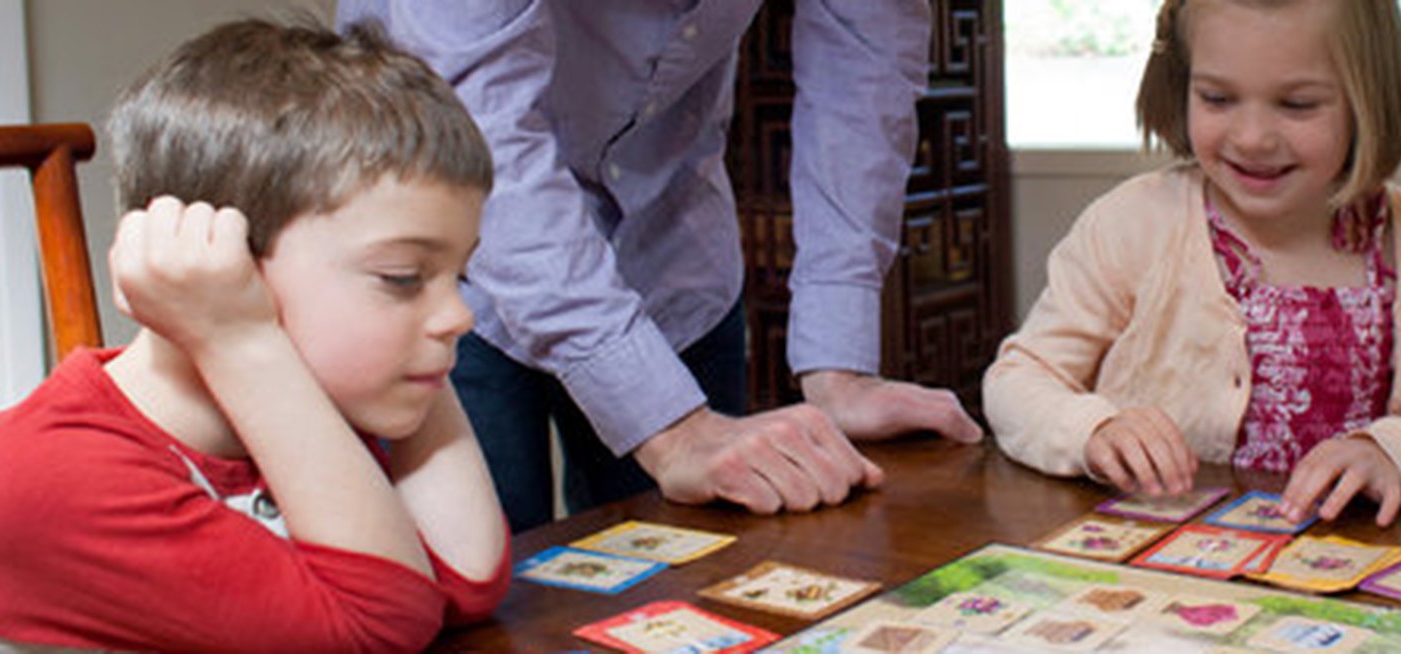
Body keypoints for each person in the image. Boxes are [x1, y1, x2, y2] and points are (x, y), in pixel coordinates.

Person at [0, 19, 509, 652]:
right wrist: (241, 340)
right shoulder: (35, 475)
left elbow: (465, 584)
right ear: (221, 264)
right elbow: (380, 628)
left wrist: (415, 350)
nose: (459, 315)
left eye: (459, 273)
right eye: (402, 276)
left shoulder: (307, 414)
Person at [337, 1, 983, 530]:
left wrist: (838, 367)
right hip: (451, 269)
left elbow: (862, 74)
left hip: (674, 248)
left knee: (706, 577)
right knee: (474, 592)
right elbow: (480, 133)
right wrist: (670, 430)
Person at [984, 0, 1401, 528]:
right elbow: (1016, 384)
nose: (1253, 137)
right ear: (1183, 87)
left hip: (1366, 560)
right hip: (1176, 556)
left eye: (1297, 105)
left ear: (1367, 100)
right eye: (1217, 98)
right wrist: (1094, 428)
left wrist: (1395, 451)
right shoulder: (1132, 224)